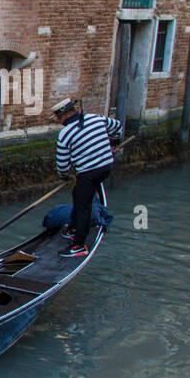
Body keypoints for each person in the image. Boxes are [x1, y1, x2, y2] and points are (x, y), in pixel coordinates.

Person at [53, 97, 121, 259]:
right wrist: (113, 143)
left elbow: (62, 164)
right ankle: (73, 228)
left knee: (84, 206)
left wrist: (65, 177)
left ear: (64, 116)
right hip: (106, 167)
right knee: (78, 194)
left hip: (89, 173)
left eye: (59, 118)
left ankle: (78, 246)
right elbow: (117, 126)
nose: (59, 121)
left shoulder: (65, 134)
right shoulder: (96, 118)